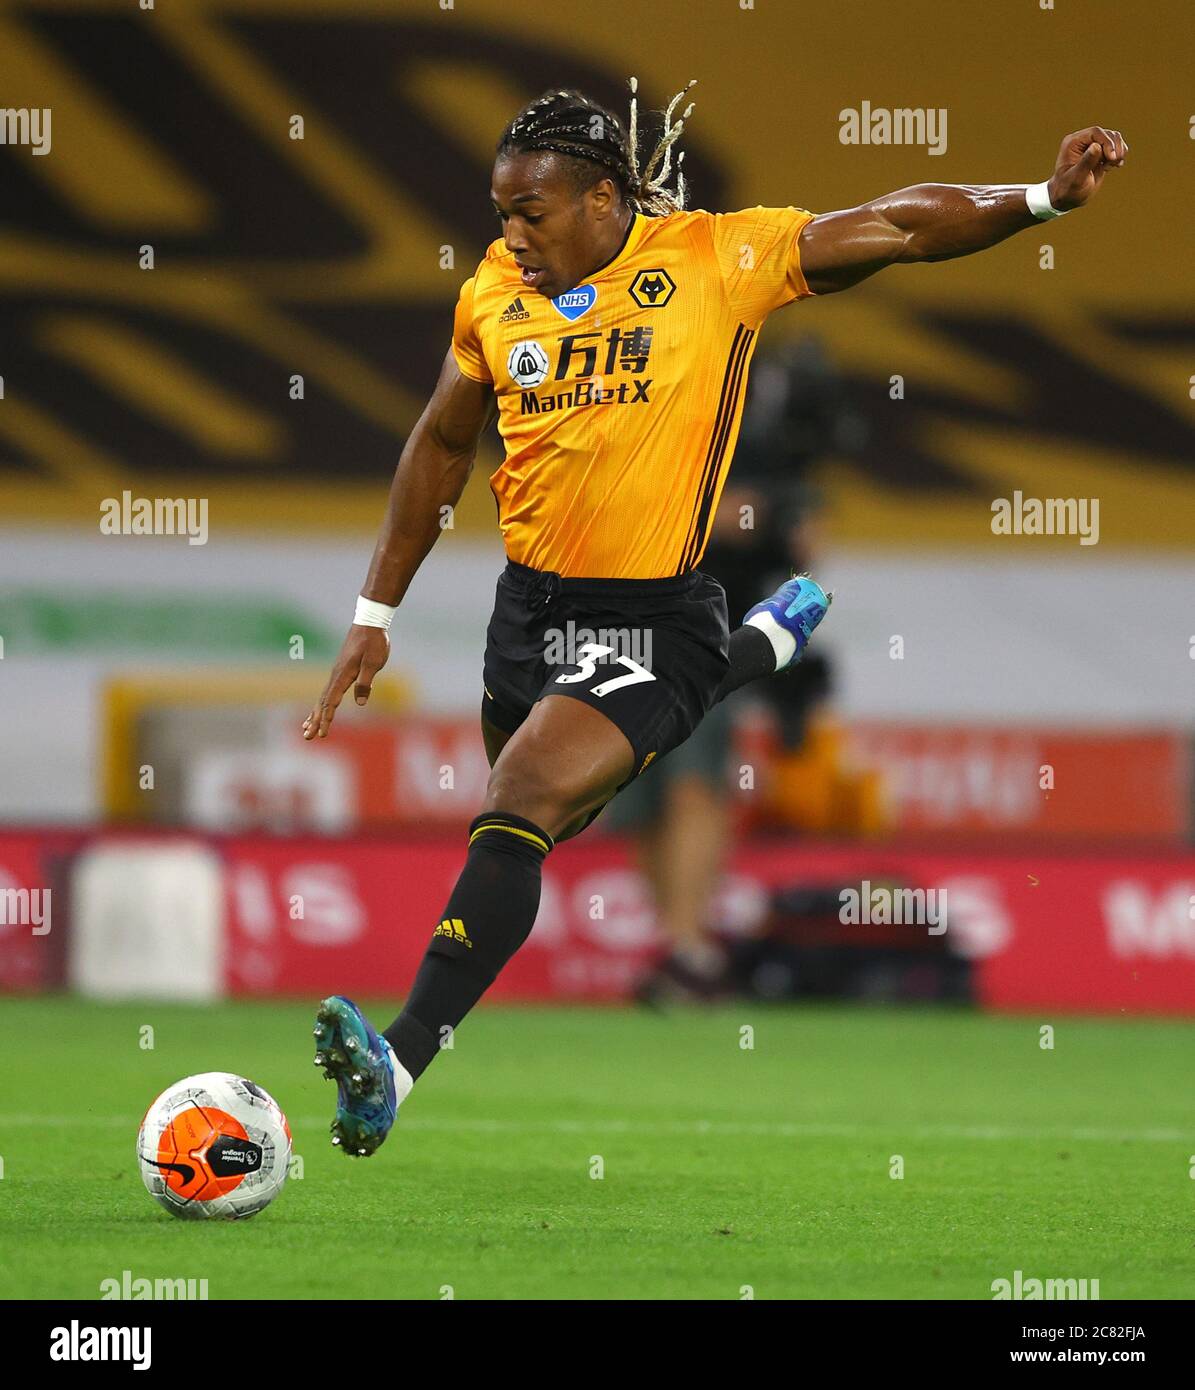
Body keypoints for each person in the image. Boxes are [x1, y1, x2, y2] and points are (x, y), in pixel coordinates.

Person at [301, 79, 1126, 1156]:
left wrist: (1040, 199)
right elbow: (442, 444)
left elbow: (895, 226)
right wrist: (375, 609)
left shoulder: (715, 261)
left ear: (603, 199)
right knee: (551, 819)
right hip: (526, 616)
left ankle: (397, 1064)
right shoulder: (493, 293)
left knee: (517, 797)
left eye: (530, 212)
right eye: (500, 211)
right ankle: (753, 651)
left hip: (651, 613)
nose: (510, 233)